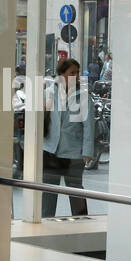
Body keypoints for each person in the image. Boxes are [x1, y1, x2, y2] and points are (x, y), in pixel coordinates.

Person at [42, 58, 96, 217]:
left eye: (77, 73)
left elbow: (89, 126)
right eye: (72, 73)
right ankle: (46, 220)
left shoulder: (83, 97)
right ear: (61, 74)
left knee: (76, 191)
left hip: (73, 153)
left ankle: (80, 219)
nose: (76, 76)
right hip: (51, 150)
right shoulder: (49, 93)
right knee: (48, 192)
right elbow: (42, 120)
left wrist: (87, 151)